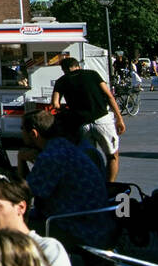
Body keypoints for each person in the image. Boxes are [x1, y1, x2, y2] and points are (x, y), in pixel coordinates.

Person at [20, 109, 110, 246]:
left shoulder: (50, 157)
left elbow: (22, 193)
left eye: (22, 129)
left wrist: (20, 159)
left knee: (11, 228)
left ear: (34, 133)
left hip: (79, 229)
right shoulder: (64, 147)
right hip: (96, 223)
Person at [50, 55, 126, 185]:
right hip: (102, 119)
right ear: (77, 66)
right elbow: (109, 96)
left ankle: (93, 185)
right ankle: (110, 186)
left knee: (89, 158)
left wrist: (68, 109)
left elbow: (55, 104)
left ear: (64, 70)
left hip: (81, 123)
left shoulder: (61, 81)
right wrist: (119, 118)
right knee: (112, 155)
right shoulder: (92, 74)